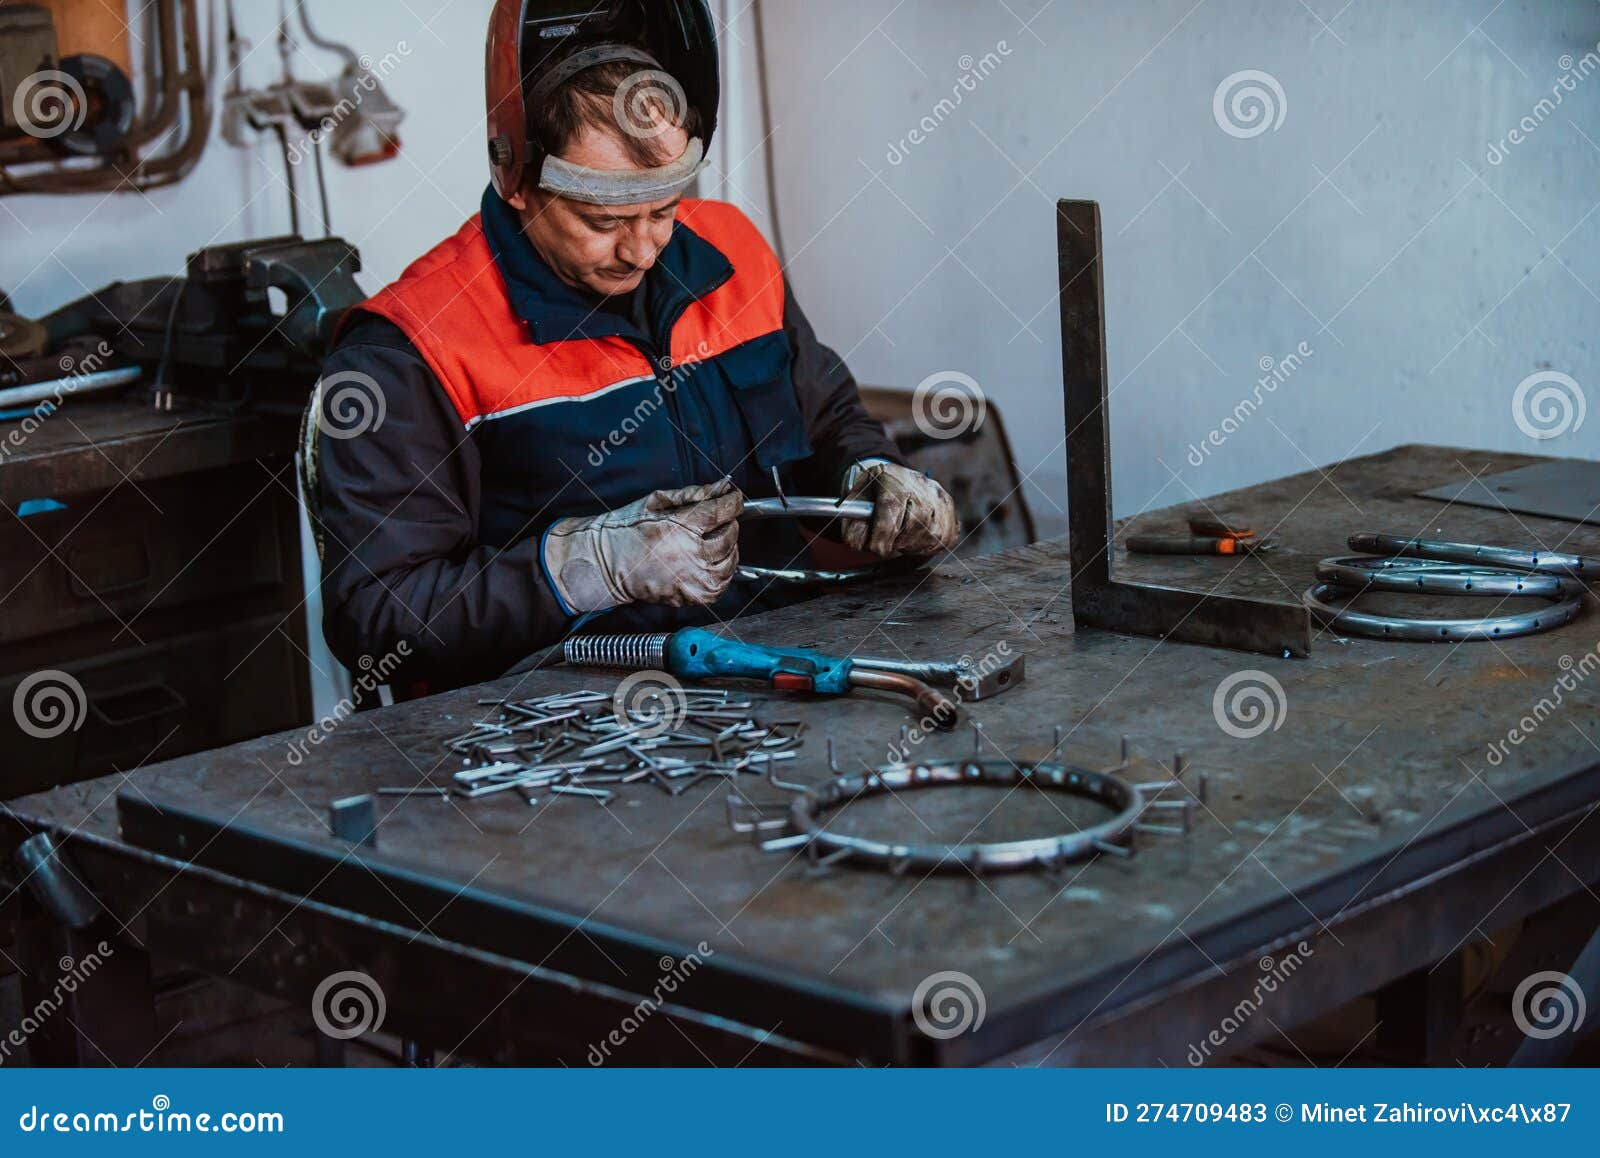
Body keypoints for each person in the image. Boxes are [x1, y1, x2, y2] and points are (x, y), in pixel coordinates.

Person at [311, 0, 959, 691]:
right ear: (519, 179)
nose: (644, 248)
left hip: (777, 683)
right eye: (603, 220)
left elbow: (827, 418)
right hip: (554, 735)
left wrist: (872, 476)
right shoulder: (412, 349)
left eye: (664, 207)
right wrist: (581, 568)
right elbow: (376, 620)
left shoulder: (730, 250)